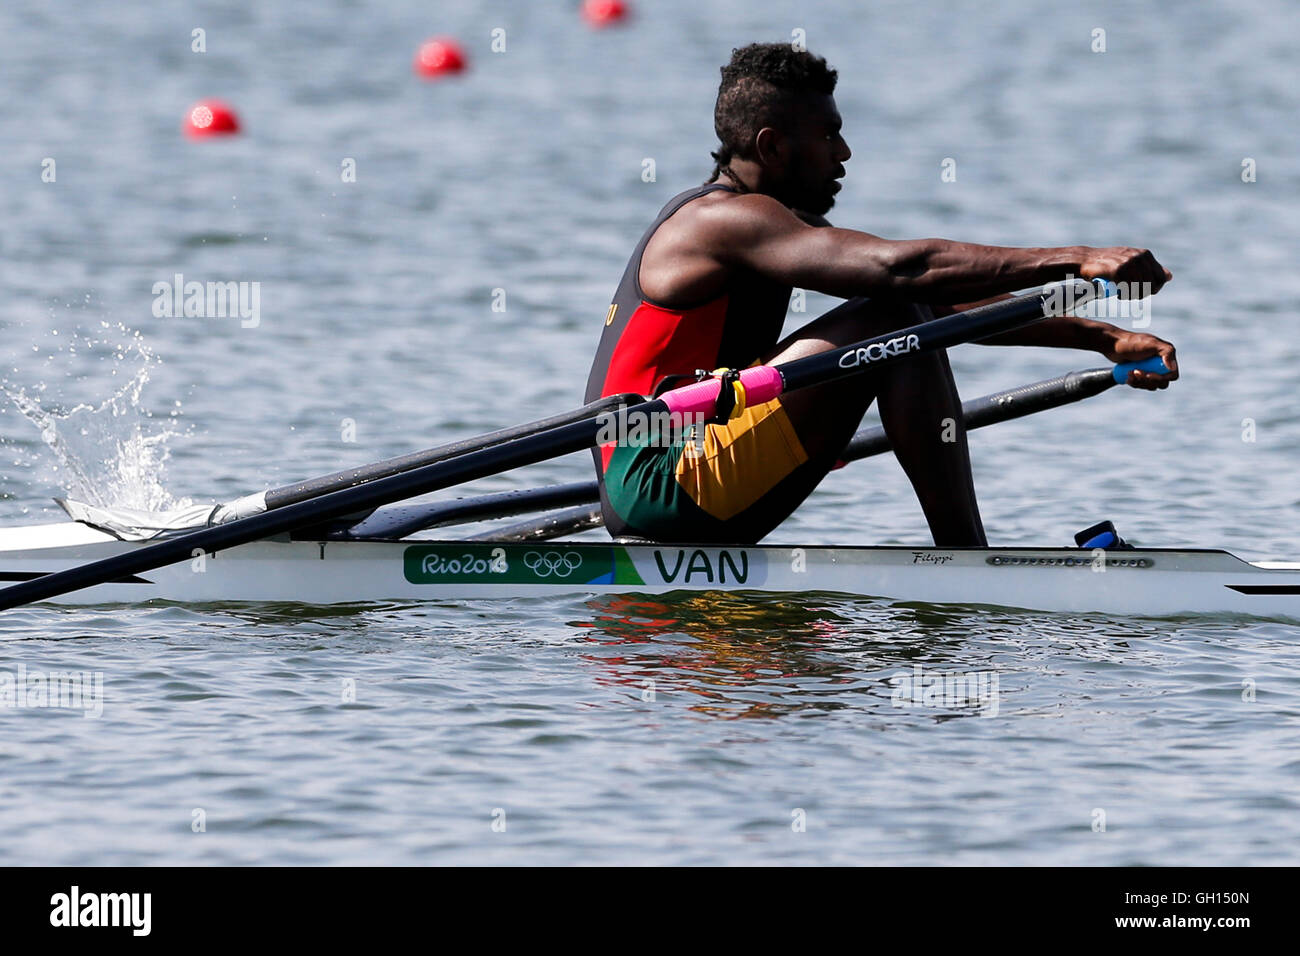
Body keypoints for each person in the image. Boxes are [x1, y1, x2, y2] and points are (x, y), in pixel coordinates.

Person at [584, 42, 1178, 546]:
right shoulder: (721, 223)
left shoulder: (765, 227)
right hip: (659, 479)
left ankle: (965, 564)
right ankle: (967, 565)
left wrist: (1102, 337)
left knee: (901, 318)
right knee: (892, 316)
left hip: (675, 469)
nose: (844, 154)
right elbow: (903, 270)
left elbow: (938, 305)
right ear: (771, 147)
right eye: (829, 135)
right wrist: (1076, 260)